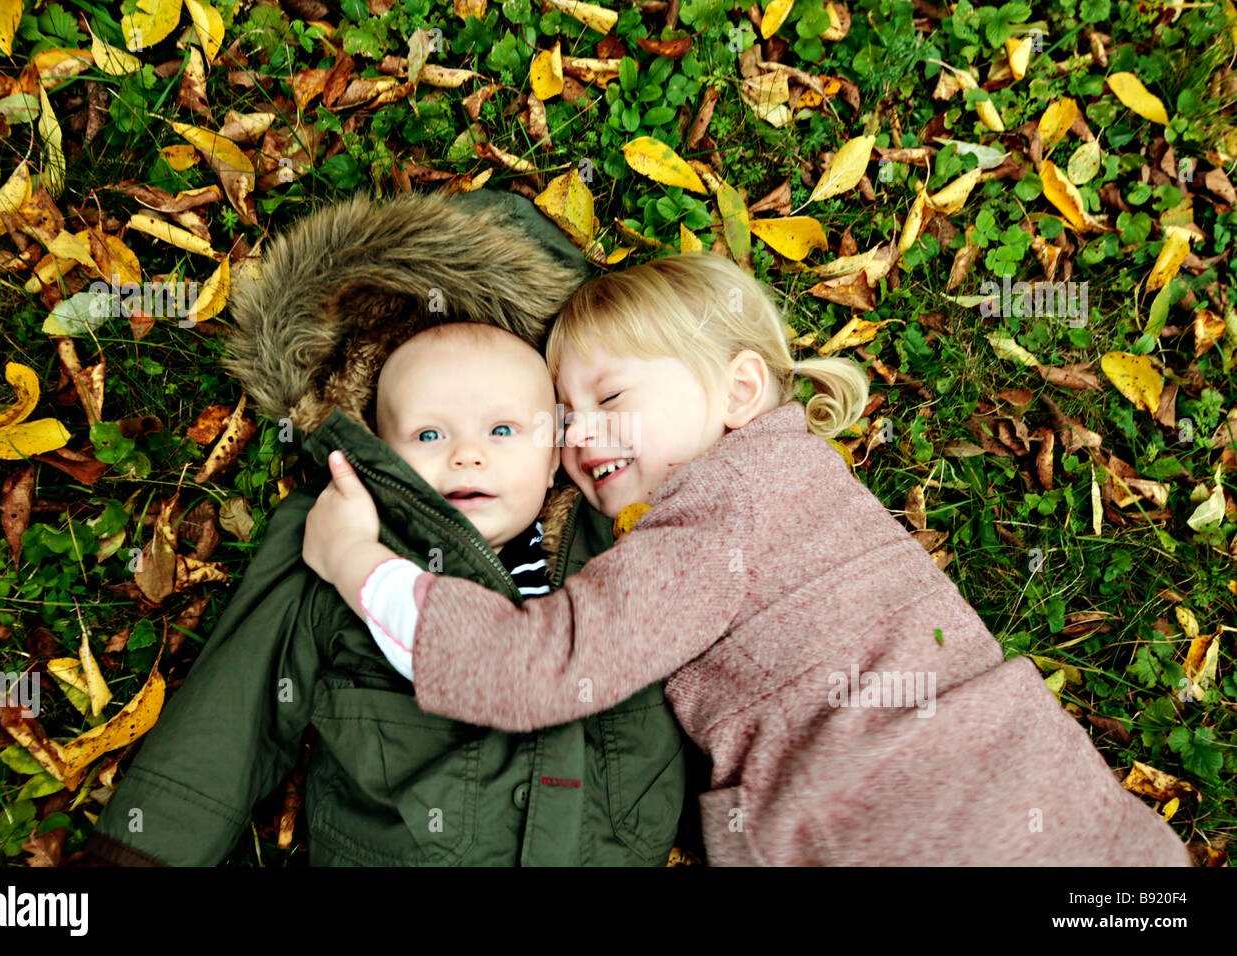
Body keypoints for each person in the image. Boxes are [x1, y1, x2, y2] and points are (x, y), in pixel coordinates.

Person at [303, 249, 1193, 867]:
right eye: (566, 419)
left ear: (737, 389)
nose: (580, 436)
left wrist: (357, 563)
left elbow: (538, 666)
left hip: (926, 814)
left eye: (610, 396)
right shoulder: (801, 484)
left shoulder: (709, 526)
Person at [84, 189, 696, 866]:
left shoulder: (625, 534)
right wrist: (142, 851)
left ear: (557, 449)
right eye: (430, 432)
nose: (468, 453)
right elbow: (241, 696)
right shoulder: (340, 531)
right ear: (381, 445)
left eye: (501, 429)